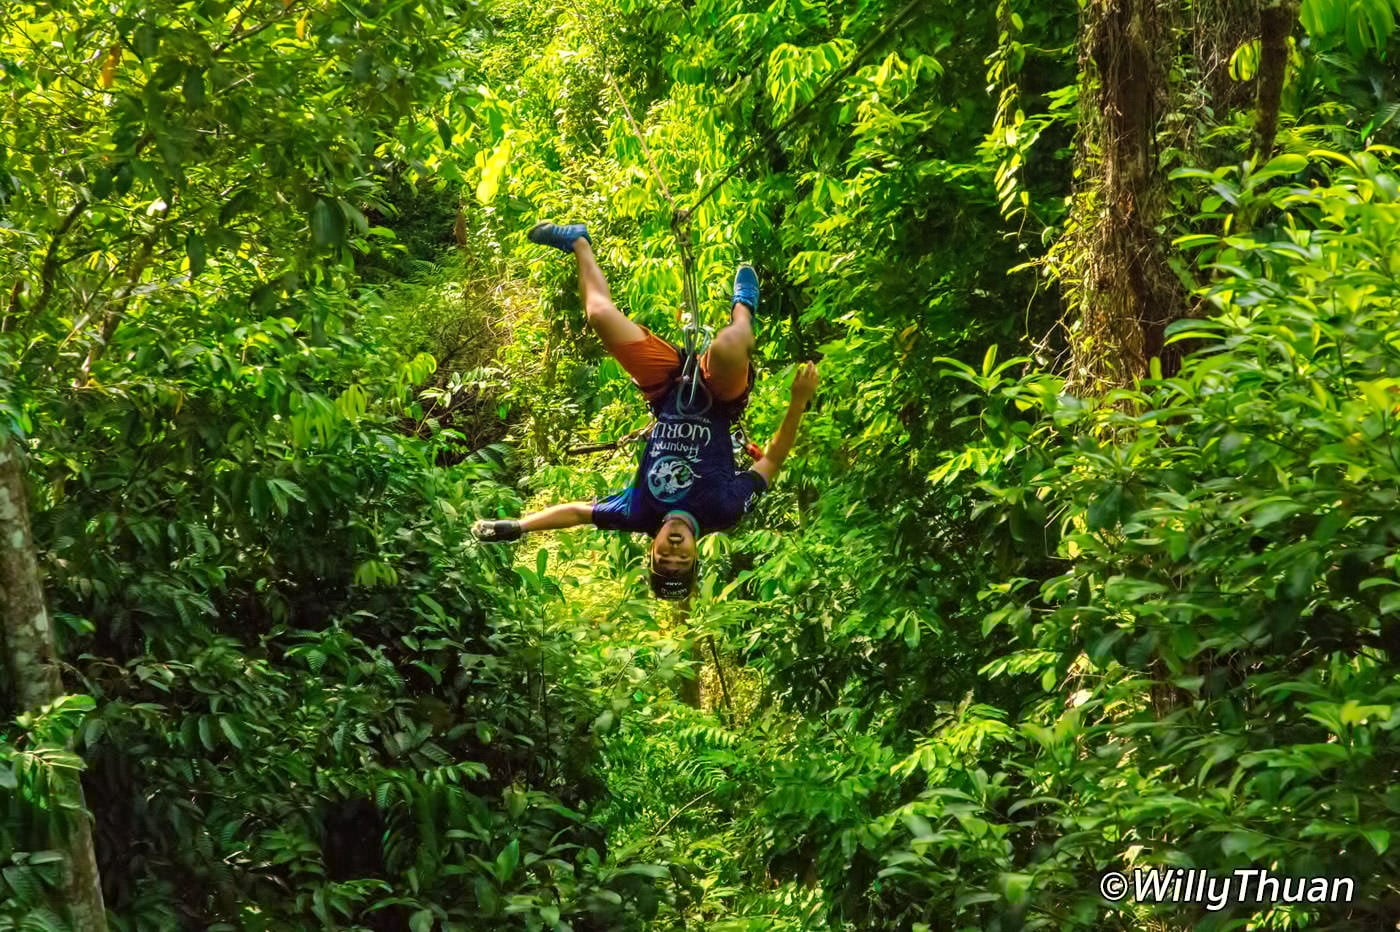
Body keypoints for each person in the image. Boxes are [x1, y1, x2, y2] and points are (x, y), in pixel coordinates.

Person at [473, 221, 819, 601]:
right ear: (695, 556)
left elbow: (577, 513)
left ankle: (579, 241)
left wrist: (519, 526)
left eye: (664, 559)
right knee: (730, 344)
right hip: (720, 398)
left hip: (667, 388)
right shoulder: (724, 510)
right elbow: (770, 463)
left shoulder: (637, 512)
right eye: (682, 561)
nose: (674, 552)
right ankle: (744, 307)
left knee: (599, 316)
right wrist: (798, 402)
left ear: (651, 549)